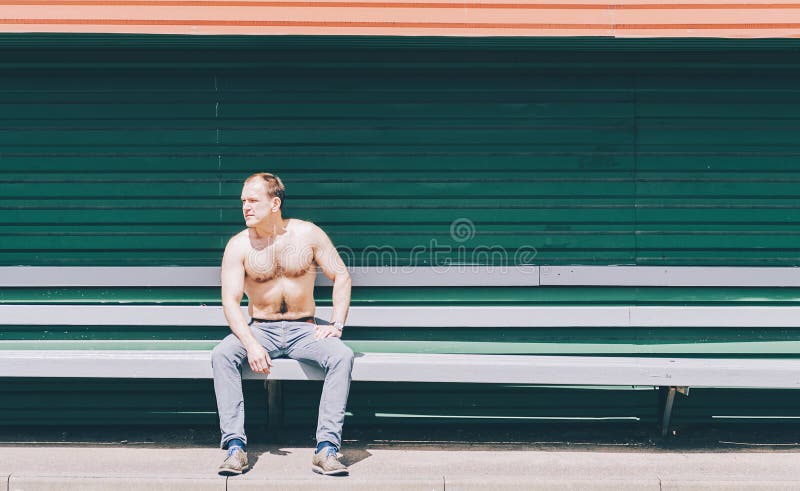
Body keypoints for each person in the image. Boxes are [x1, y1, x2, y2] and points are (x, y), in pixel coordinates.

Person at [211, 172, 354, 476]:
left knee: (342, 355)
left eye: (253, 200)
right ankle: (235, 447)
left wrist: (336, 324)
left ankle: (327, 449)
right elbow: (230, 303)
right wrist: (250, 343)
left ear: (274, 203)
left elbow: (341, 275)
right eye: (243, 202)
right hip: (260, 329)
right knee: (222, 354)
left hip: (305, 329)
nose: (245, 207)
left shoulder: (308, 235)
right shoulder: (239, 246)